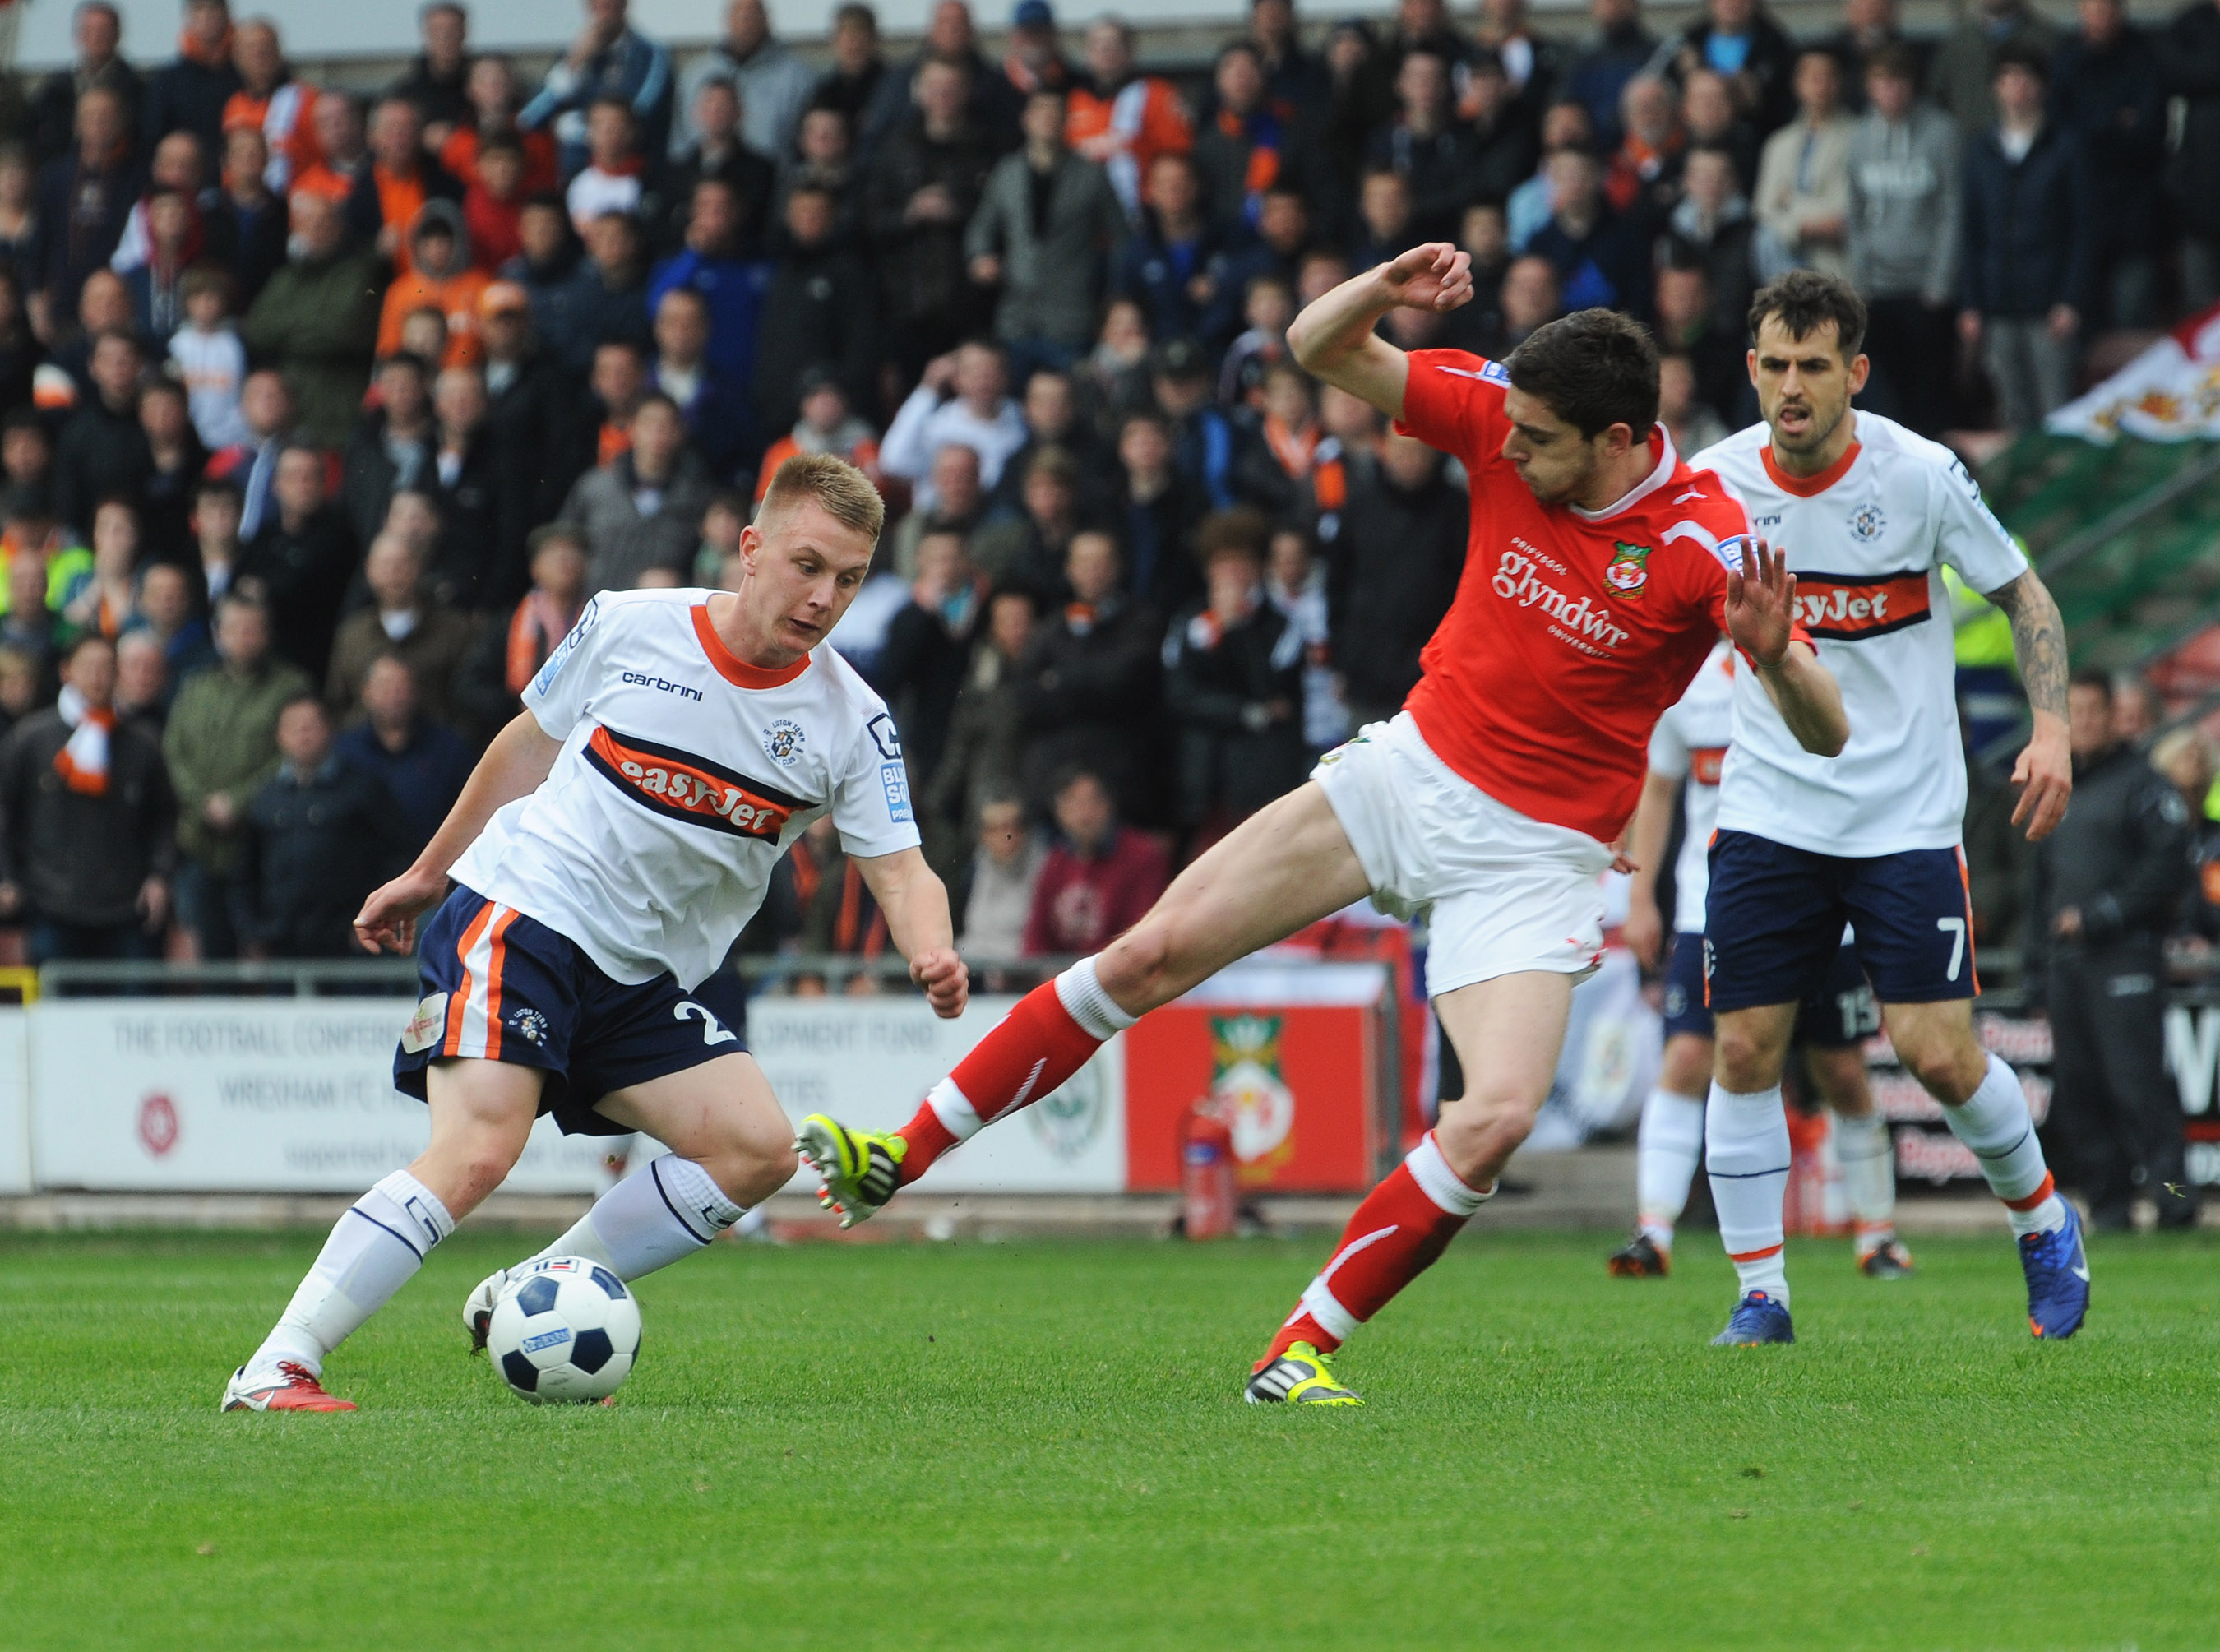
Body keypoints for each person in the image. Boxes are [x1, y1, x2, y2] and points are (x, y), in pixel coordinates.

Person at [794, 246, 1846, 1408]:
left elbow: (1826, 724)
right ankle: (901, 1153)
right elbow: (1319, 349)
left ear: (1615, 440)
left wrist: (1766, 658)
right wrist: (1385, 288)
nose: (1505, 450)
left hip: (1536, 858)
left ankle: (1297, 1351)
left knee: (1493, 1118)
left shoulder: (1707, 542)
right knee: (1147, 953)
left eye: (1537, 441)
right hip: (1411, 772)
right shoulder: (1506, 410)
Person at [220, 454, 961, 1412]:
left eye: (849, 578)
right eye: (807, 564)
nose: (824, 597)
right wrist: (429, 871)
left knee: (755, 1148)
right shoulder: (630, 623)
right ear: (751, 548)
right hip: (523, 908)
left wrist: (929, 948)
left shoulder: (851, 723)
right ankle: (278, 1362)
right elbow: (526, 743)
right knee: (481, 1146)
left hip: (639, 972)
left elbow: (901, 865)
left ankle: (520, 1294)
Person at [1692, 270, 2084, 1346]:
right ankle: (1760, 1295)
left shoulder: (1920, 475)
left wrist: (2050, 727)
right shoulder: (1714, 484)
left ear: (1855, 373)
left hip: (1905, 815)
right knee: (1743, 1049)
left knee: (1939, 1054)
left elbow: (2024, 593)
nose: (1792, 387)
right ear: (1752, 369)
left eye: (1815, 366)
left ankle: (2044, 1224)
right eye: (1774, 365)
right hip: (1771, 806)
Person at [1609, 639, 1909, 1279]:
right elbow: (1658, 790)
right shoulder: (1686, 679)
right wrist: (1641, 897)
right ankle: (1652, 1230)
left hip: (1821, 894)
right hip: (1710, 902)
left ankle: (1878, 1233)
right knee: (1689, 1056)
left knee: (1840, 1068)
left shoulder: (1816, 668)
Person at [2032, 669, 2196, 1231]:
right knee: (2080, 1088)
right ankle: (2109, 1207)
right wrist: (2038, 962)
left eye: (2096, 711)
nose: (2087, 723)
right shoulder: (2057, 786)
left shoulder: (2143, 783)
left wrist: (2104, 914)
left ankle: (2174, 1199)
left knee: (2138, 1087)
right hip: (2067, 964)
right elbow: (2042, 882)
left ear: (2114, 715)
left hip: (2125, 956)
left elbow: (2169, 863)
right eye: (2074, 712)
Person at [0, 632, 174, 964]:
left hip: (127, 907)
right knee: (57, 1011)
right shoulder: (31, 739)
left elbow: (164, 817)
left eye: (106, 667)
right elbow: (5, 813)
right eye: (88, 666)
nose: (97, 676)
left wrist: (159, 876)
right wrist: (6, 878)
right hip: (51, 904)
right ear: (67, 671)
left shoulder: (142, 742)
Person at [163, 592, 313, 960]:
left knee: (274, 952)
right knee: (212, 953)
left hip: (266, 844)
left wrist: (238, 801)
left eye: (254, 629)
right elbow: (175, 750)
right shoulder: (195, 687)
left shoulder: (290, 687)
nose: (246, 637)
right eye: (236, 629)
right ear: (218, 634)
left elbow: (290, 753)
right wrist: (203, 803)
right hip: (201, 842)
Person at [1959, 49, 2093, 433]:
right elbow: (1971, 232)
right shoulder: (1980, 150)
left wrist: (2071, 299)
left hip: (2049, 303)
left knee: (2056, 408)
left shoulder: (2066, 147)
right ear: (1995, 88)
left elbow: (2084, 230)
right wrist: (1971, 302)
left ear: (2042, 88)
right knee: (2011, 408)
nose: (2017, 88)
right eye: (2007, 78)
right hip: (1998, 302)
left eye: (2026, 78)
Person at [967, 88, 1127, 379]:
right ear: (1026, 119)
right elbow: (981, 228)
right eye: (1040, 110)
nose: (1048, 118)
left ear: (1068, 120)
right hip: (1015, 316)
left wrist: (1112, 296)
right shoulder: (1007, 172)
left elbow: (1122, 238)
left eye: (1056, 112)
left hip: (1072, 316)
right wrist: (981, 257)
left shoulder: (1091, 175)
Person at [1163, 516, 1307, 838]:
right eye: (1223, 564)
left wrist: (1237, 630)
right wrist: (1246, 713)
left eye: (1242, 563)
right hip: (1202, 777)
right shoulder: (1188, 622)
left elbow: (1269, 691)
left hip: (1258, 781)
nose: (1233, 574)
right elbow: (1181, 697)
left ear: (1259, 568)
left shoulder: (1281, 626)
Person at [238, 693, 409, 959]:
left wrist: (375, 916)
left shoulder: (363, 788)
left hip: (351, 941)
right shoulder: (265, 797)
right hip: (281, 942)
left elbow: (399, 852)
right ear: (279, 736)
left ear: (330, 730)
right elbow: (245, 871)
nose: (303, 734)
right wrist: (254, 931)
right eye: (294, 727)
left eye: (311, 725)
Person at [1845, 46, 1961, 437]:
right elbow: (1855, 213)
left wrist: (1940, 280)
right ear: (1870, 87)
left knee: (1930, 387)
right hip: (1877, 286)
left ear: (1911, 86)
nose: (1891, 92)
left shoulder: (1941, 133)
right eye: (1882, 83)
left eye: (1898, 83)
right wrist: (1859, 281)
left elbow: (1952, 209)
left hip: (1926, 286)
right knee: (1885, 391)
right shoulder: (1859, 138)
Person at [2051, 0, 2165, 329]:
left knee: (2132, 321)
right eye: (2092, 10)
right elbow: (2061, 134)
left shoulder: (2143, 55)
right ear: (2080, 13)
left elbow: (2149, 131)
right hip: (2077, 217)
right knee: (2083, 325)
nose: (2100, 19)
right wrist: (2115, 120)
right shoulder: (2065, 58)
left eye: (2107, 10)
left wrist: (2091, 124)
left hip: (2134, 213)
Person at [241, 191, 382, 447]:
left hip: (337, 413)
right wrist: (315, 324)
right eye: (308, 223)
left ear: (339, 228)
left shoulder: (358, 274)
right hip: (288, 412)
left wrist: (286, 331)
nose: (316, 230)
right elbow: (257, 330)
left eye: (324, 222)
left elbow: (344, 332)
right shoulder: (285, 277)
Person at [560, 394, 713, 593]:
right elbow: (563, 545)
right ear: (632, 429)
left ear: (679, 433)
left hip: (666, 614)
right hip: (601, 610)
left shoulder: (699, 497)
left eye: (666, 425)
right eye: (649, 423)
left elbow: (711, 563)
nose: (658, 433)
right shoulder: (595, 487)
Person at [326, 533, 477, 724]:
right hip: (363, 748)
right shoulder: (351, 635)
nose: (394, 573)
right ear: (369, 570)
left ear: (419, 567)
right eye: (386, 565)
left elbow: (467, 700)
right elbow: (337, 703)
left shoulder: (455, 630)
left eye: (403, 563)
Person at [1020, 765, 1169, 954]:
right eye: (1072, 803)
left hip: (1117, 972)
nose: (1084, 814)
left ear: (1108, 804)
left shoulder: (1142, 856)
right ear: (1059, 812)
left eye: (1091, 801)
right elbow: (1036, 933)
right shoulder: (1056, 860)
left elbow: (1138, 933)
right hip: (1063, 975)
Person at [520, 0, 677, 180]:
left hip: (632, 174)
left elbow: (639, 115)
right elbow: (529, 118)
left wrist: (571, 128)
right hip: (576, 175)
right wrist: (573, 64)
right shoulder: (573, 54)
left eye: (609, 3)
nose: (603, 6)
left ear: (625, 4)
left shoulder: (650, 55)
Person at [1753, 49, 1855, 282]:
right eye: (1813, 78)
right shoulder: (1779, 143)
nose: (1821, 86)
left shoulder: (1859, 137)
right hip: (1786, 257)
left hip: (1837, 262)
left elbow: (1843, 213)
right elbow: (1765, 208)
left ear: (1840, 83)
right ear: (1798, 84)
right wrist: (1802, 226)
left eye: (1829, 77)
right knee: (1764, 239)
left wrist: (1791, 203)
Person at [678, 0, 820, 164]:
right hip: (706, 183)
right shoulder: (695, 74)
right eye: (739, 14)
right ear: (727, 19)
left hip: (775, 182)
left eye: (752, 14)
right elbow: (680, 141)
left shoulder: (797, 77)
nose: (745, 21)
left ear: (766, 19)